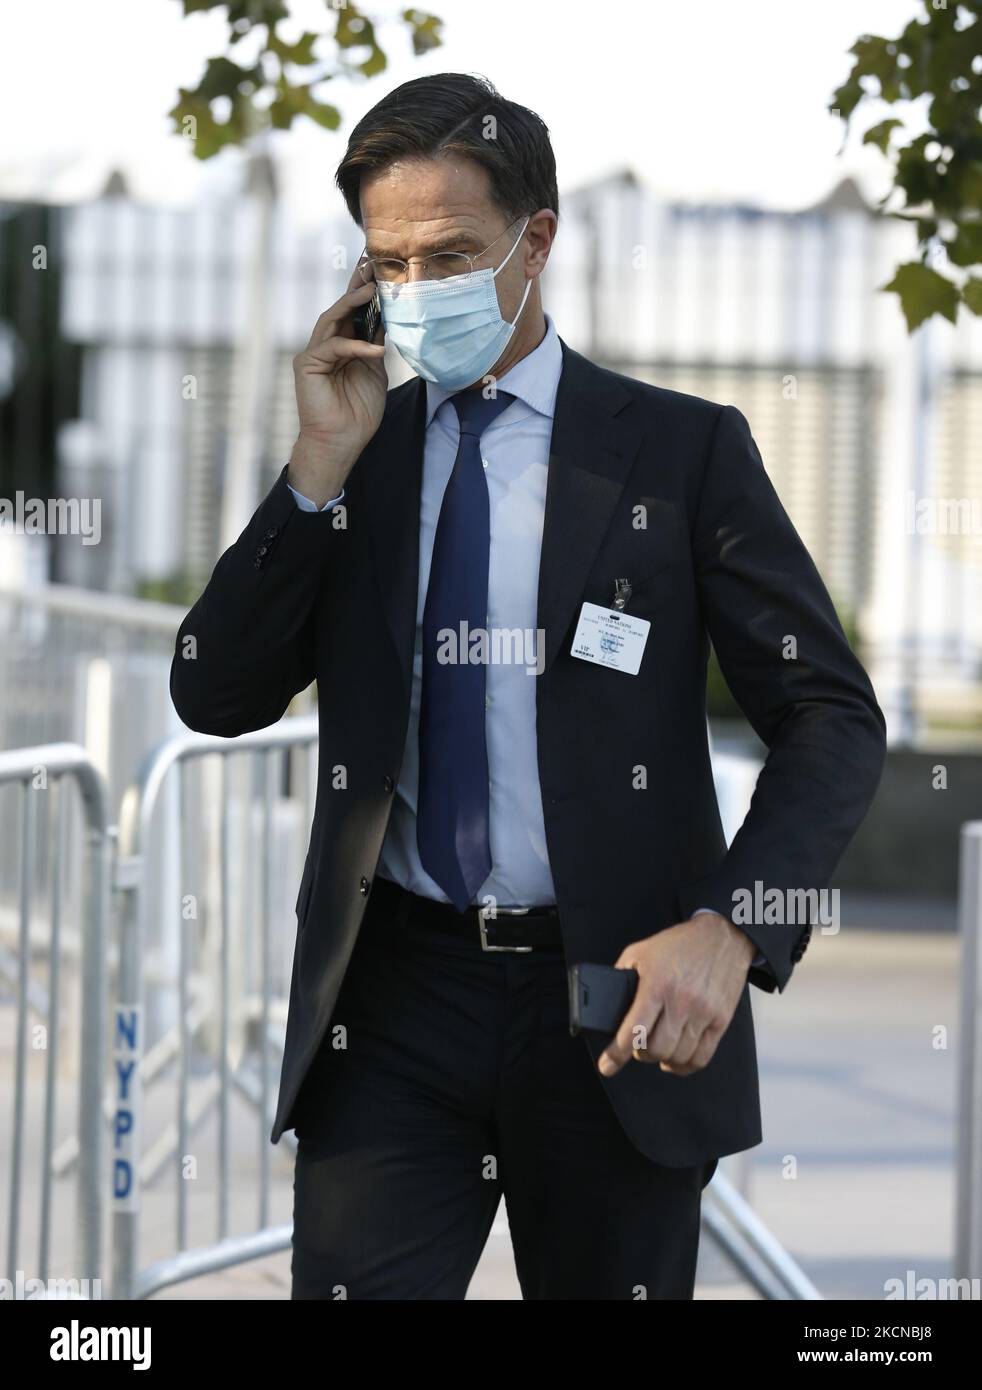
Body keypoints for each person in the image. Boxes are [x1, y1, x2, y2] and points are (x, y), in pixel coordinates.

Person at [169, 72, 887, 1300]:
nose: (413, 293)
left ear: (534, 241)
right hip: (392, 1001)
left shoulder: (677, 450)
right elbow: (215, 691)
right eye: (385, 264)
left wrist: (736, 927)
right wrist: (311, 475)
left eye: (447, 255)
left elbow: (830, 716)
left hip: (617, 1002)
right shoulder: (357, 451)